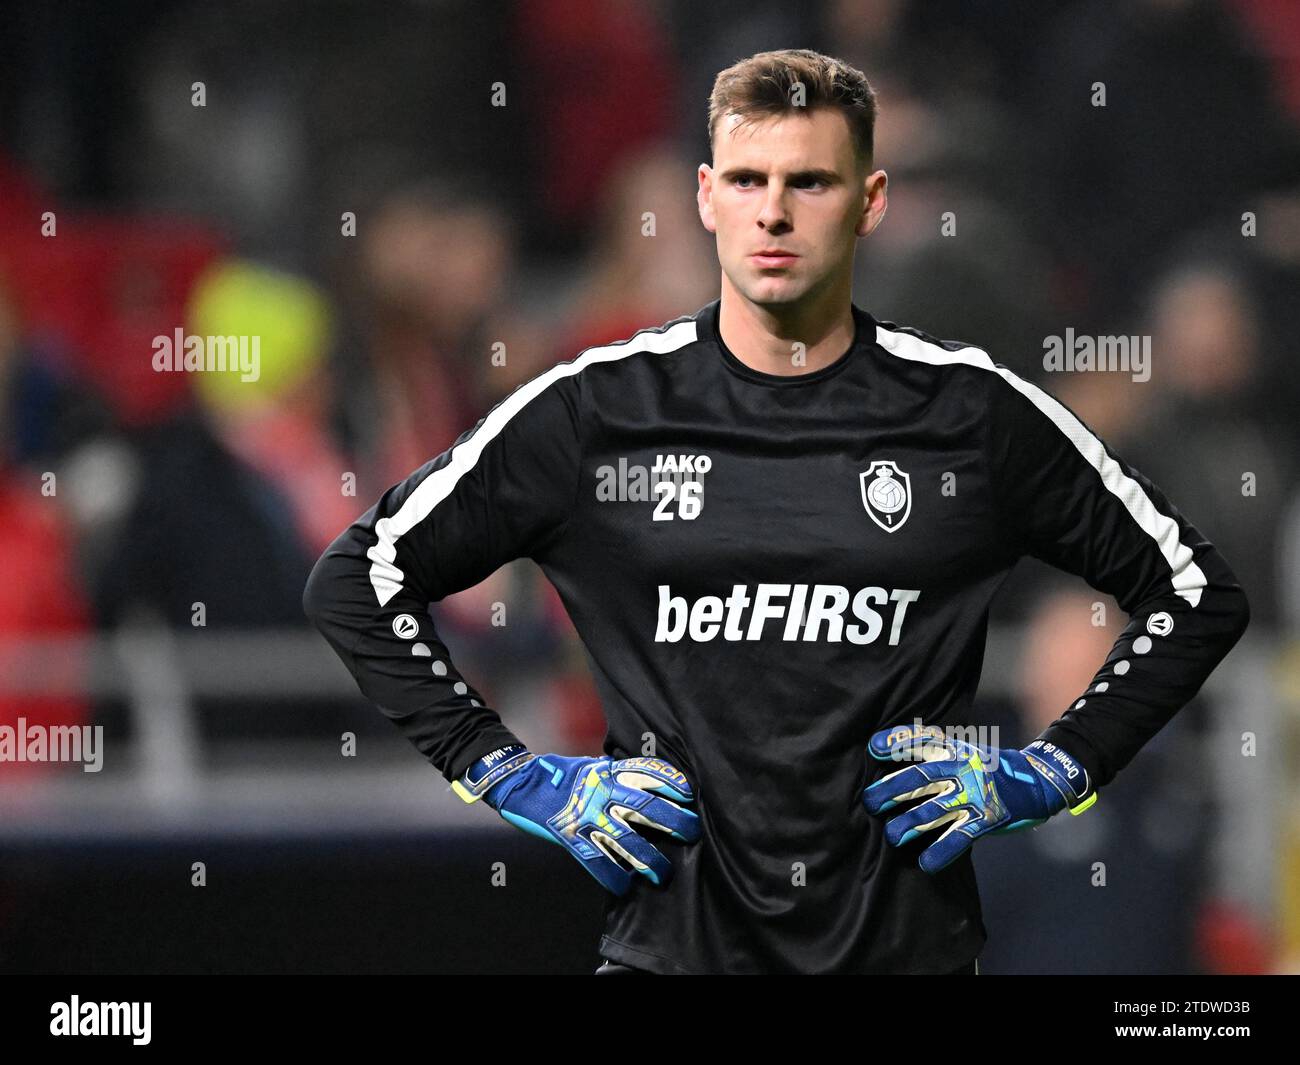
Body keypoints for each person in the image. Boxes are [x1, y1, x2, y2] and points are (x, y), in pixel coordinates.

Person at [302, 49, 1250, 975]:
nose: (775, 212)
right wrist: (510, 773)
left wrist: (1055, 771)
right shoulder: (599, 409)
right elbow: (357, 577)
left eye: (811, 182)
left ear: (870, 201)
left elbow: (1197, 592)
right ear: (707, 196)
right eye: (749, 179)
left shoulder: (971, 412)